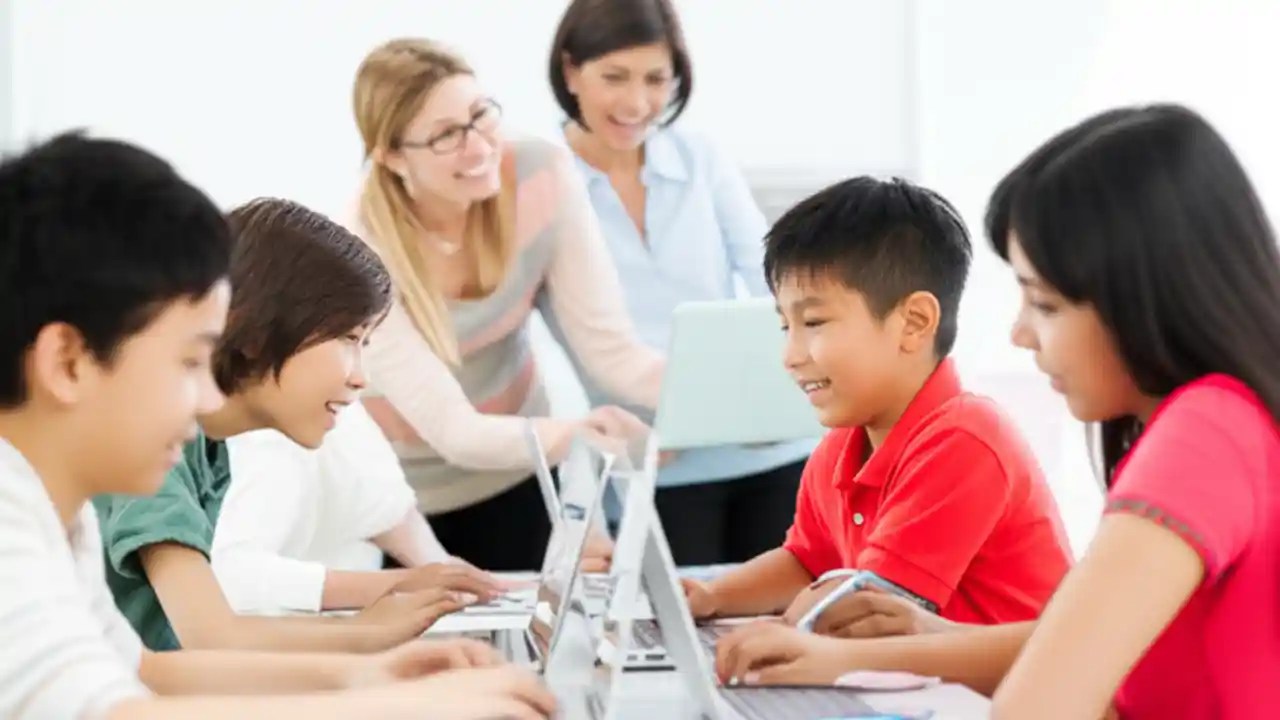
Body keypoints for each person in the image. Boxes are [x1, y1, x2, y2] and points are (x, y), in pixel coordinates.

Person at [714, 105, 1280, 719]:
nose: (1020, 333)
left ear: (1144, 296)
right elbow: (1084, 642)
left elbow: (1038, 705)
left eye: (1046, 304)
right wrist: (867, 655)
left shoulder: (1201, 435)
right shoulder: (1234, 420)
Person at [0, 132, 554, 719]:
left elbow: (141, 669)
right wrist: (402, 703)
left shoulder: (60, 516)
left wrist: (368, 676)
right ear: (68, 363)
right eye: (189, 361)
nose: (211, 392)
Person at [95, 196, 503, 652]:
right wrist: (366, 632)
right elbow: (211, 636)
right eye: (349, 339)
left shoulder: (209, 445)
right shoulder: (152, 434)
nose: (360, 376)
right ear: (255, 332)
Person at [681, 176, 1071, 632]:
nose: (791, 356)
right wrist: (710, 597)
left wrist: (777, 633)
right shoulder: (839, 448)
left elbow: (865, 611)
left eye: (814, 322)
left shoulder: (963, 439)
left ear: (914, 323)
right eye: (787, 327)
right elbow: (805, 563)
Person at [352, 37, 662, 571]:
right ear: (392, 156)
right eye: (446, 135)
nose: (478, 147)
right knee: (452, 652)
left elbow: (612, 352)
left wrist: (721, 398)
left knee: (562, 638)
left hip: (526, 473)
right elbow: (456, 433)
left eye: (479, 116)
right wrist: (578, 436)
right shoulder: (362, 250)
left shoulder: (539, 174)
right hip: (418, 505)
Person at [544, 0, 814, 565]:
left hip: (766, 449)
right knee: (679, 635)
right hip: (652, 467)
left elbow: (772, 278)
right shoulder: (544, 182)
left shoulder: (699, 157)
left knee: (788, 627)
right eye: (614, 77)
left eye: (655, 79)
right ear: (571, 71)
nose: (637, 103)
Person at [213, 402, 459, 614]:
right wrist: (392, 586)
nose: (361, 378)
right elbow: (230, 577)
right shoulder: (258, 436)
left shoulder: (336, 404)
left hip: (344, 631)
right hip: (280, 642)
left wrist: (441, 571)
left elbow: (385, 505)